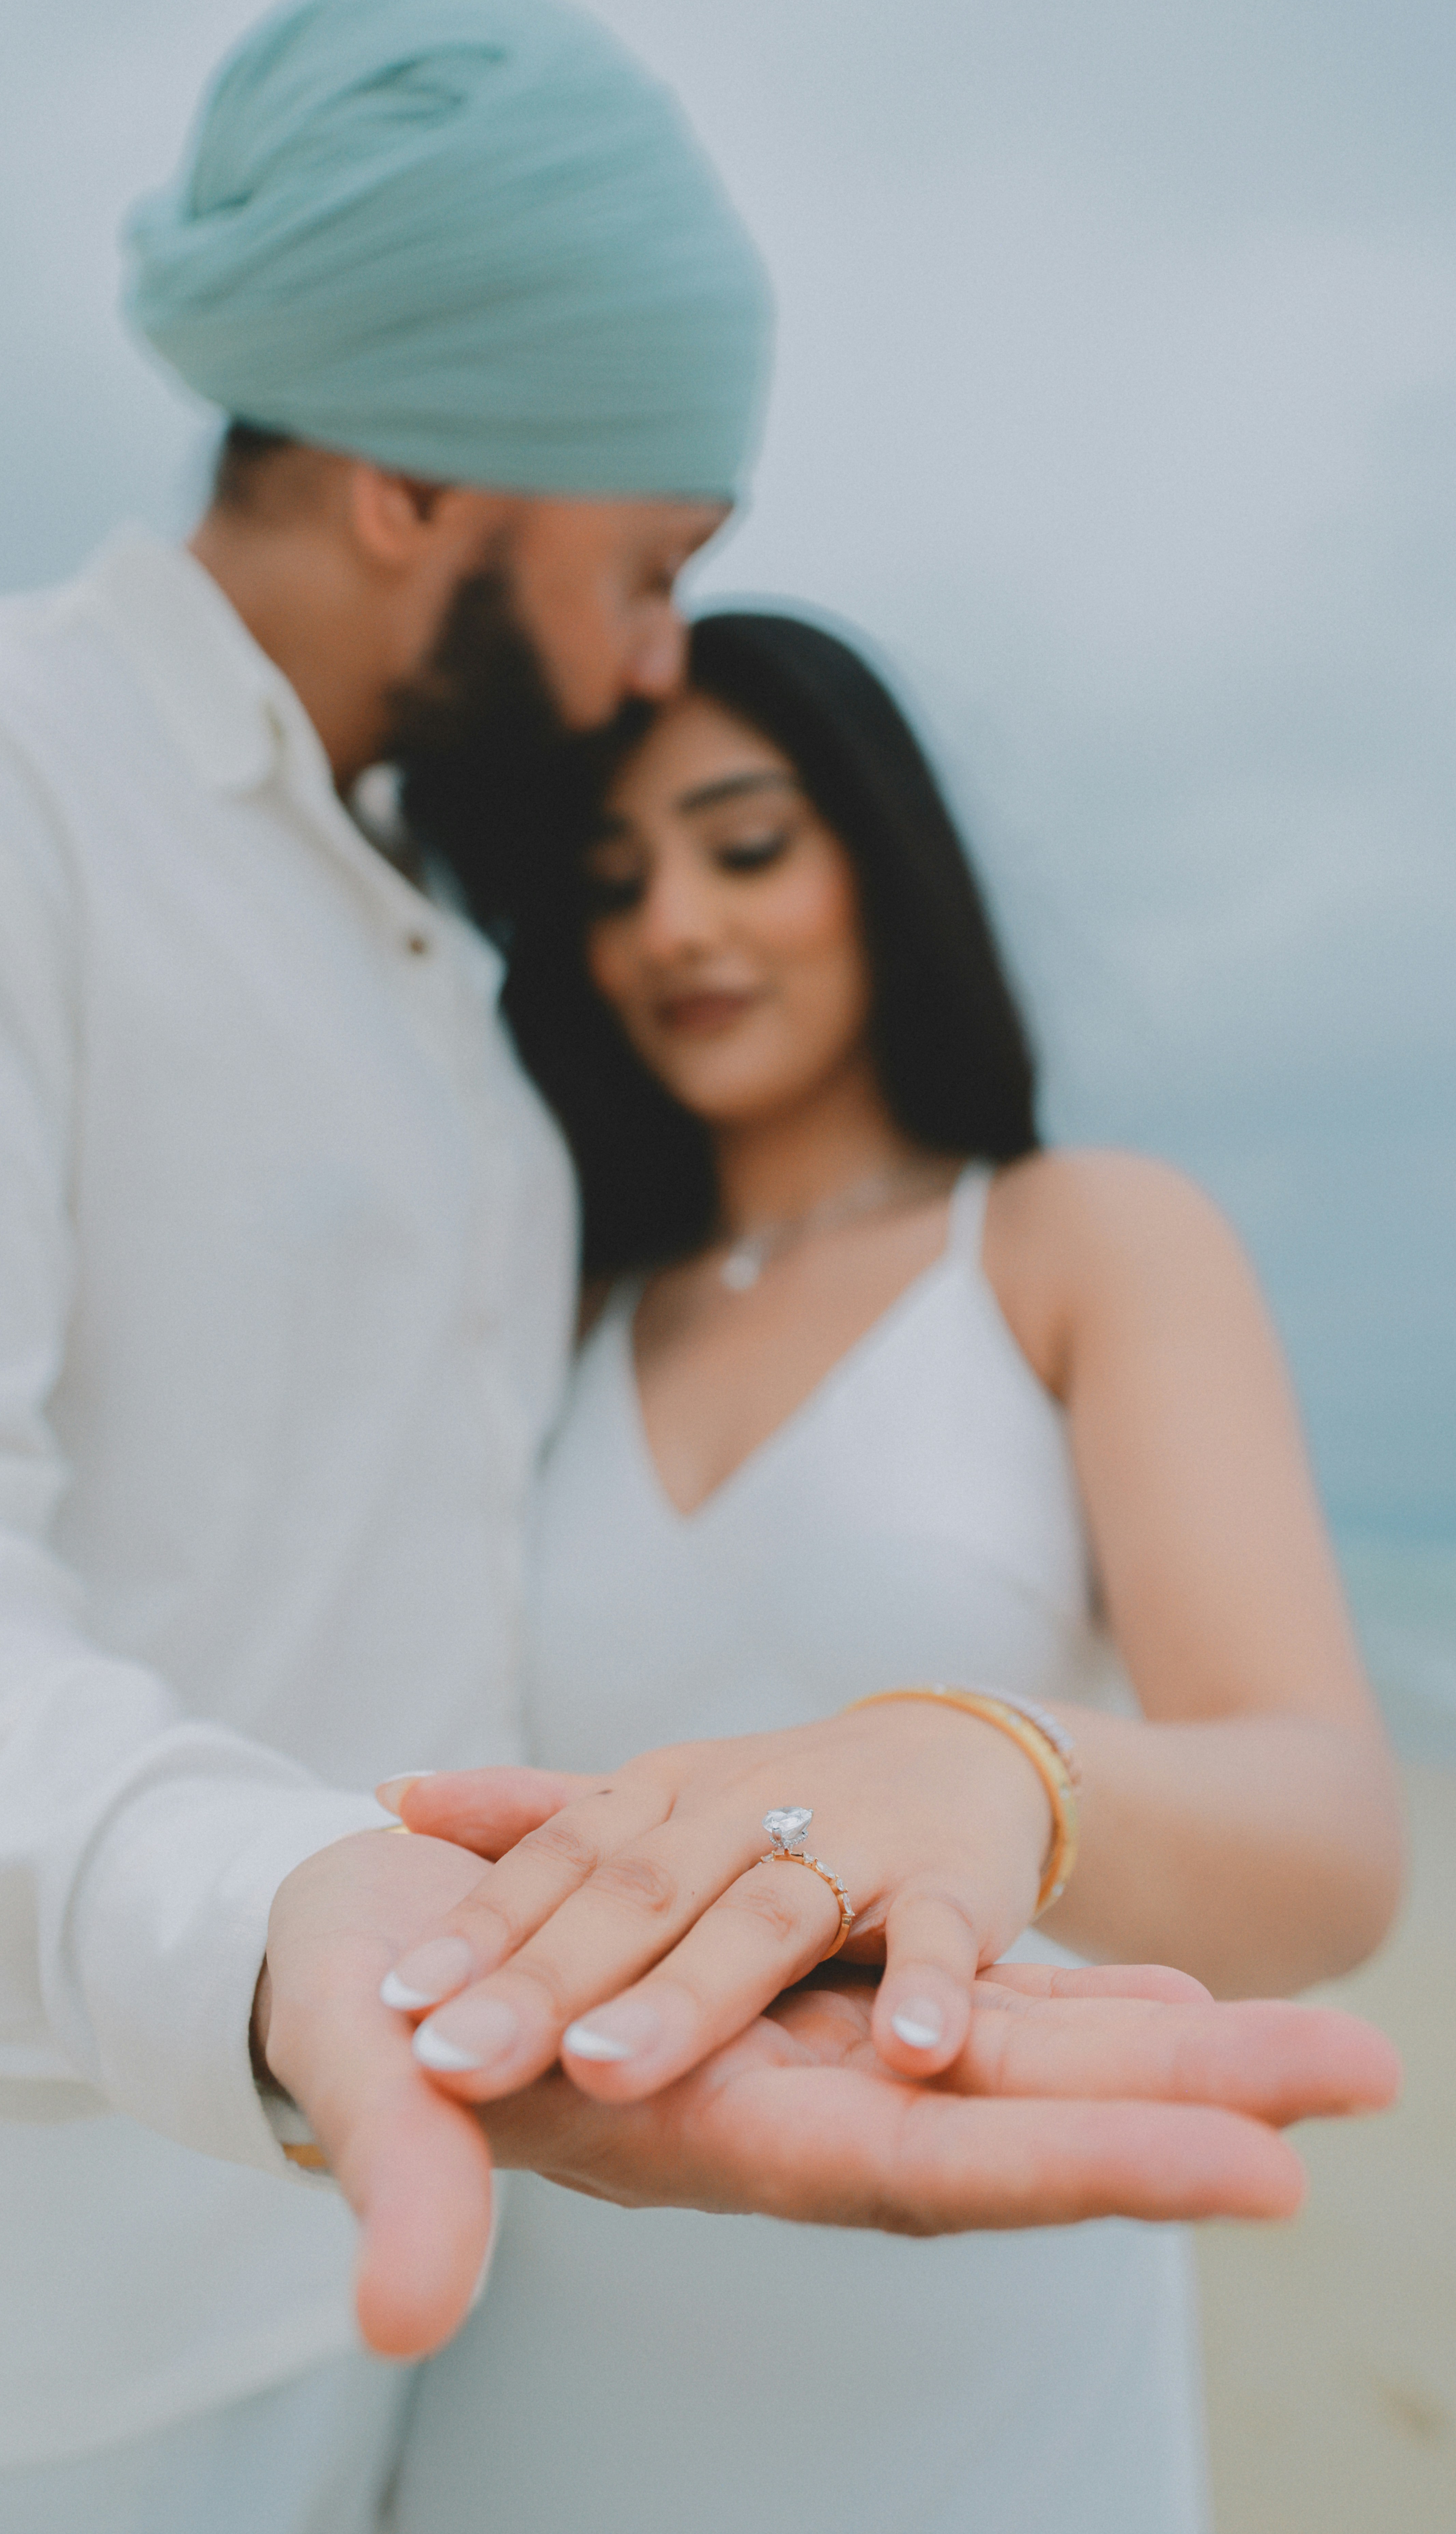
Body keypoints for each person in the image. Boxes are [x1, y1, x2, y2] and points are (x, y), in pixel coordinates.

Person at [0, 0, 1395, 2534]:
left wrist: (968, 1784)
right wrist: (282, 1926)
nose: (645, 667)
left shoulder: (455, 1003)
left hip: (414, 2296)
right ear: (413, 485)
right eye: (650, 568)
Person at [382, 610, 1404, 2534]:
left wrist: (995, 1761)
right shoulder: (563, 1304)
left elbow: (1330, 1835)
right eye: (612, 884)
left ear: (876, 850)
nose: (675, 923)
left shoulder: (1071, 1237)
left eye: (743, 842)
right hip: (559, 2274)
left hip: (967, 2326)